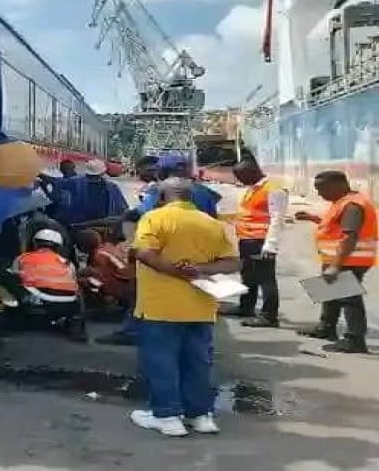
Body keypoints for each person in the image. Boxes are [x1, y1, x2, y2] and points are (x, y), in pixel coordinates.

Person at [129, 177, 240, 437]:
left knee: (161, 361)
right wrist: (199, 270)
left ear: (161, 196)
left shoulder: (154, 218)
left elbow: (144, 253)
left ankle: (167, 416)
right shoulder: (213, 223)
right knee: (197, 362)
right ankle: (200, 415)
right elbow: (233, 263)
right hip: (201, 305)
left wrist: (178, 273)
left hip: (160, 305)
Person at [294, 170, 376, 353]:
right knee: (330, 292)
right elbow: (336, 226)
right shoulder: (341, 202)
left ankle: (355, 339)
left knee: (349, 299)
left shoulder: (353, 205)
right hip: (342, 258)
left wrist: (336, 266)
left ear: (338, 185)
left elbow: (349, 237)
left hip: (350, 259)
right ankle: (326, 327)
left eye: (322, 188)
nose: (319, 193)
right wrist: (313, 218)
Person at [225, 159, 287, 327]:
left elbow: (277, 218)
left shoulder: (274, 190)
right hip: (247, 240)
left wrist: (271, 244)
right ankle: (246, 306)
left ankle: (269, 316)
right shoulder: (253, 188)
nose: (240, 180)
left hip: (261, 241)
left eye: (241, 176)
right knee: (248, 276)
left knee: (266, 279)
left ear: (252, 172)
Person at [0, 228, 85, 339]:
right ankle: (77, 320)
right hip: (68, 303)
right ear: (58, 246)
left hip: (38, 301)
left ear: (35, 243)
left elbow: (14, 276)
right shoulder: (67, 263)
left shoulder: (24, 258)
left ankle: (12, 316)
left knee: (6, 275)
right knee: (76, 285)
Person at [136, 154, 221, 218]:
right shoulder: (206, 192)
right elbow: (214, 217)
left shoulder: (155, 192)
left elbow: (145, 217)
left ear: (161, 173)